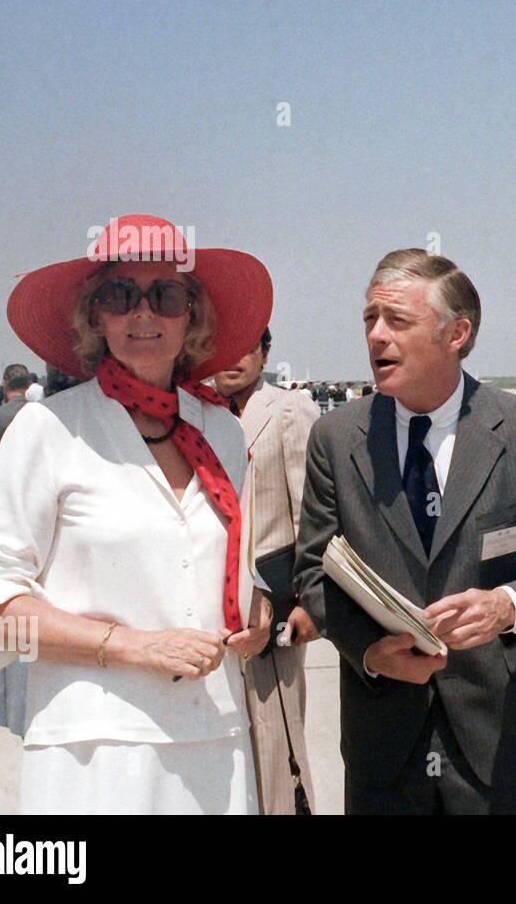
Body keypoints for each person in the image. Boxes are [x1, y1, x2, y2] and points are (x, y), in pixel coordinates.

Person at [0, 214, 274, 813]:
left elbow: (229, 571)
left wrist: (259, 610)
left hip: (213, 739)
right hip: (94, 752)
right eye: (120, 295)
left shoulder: (222, 431)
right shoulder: (48, 429)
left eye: (166, 295)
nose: (143, 313)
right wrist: (131, 647)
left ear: (192, 316)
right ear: (95, 316)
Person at [295, 248, 516, 814]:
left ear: (456, 333)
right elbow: (314, 572)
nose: (376, 337)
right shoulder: (336, 438)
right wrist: (370, 652)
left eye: (397, 321)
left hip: (501, 740)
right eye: (369, 319)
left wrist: (506, 606)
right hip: (383, 740)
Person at [213, 327, 321, 814]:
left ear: (265, 352)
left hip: (274, 603)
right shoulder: (192, 410)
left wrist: (304, 603)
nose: (232, 358)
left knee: (277, 738)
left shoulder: (287, 410)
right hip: (212, 608)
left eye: (246, 347)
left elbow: (310, 515)